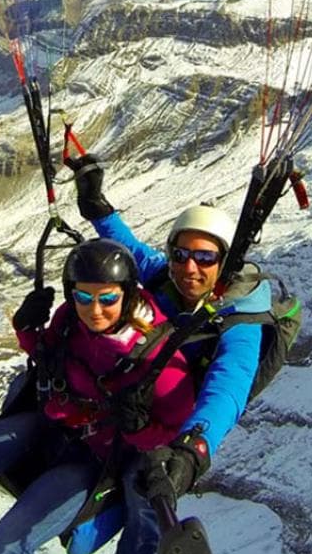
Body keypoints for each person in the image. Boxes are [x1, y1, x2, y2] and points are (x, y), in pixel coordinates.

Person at [0, 238, 195, 554]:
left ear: (127, 295)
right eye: (82, 296)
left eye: (108, 299)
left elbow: (175, 435)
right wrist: (27, 330)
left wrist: (138, 429)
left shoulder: (162, 363)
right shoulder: (71, 318)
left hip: (94, 460)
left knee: (4, 547)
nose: (94, 310)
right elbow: (50, 361)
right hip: (52, 427)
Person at [66, 154, 274, 502]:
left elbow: (227, 391)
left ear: (224, 262)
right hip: (130, 408)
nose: (189, 267)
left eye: (205, 258)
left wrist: (194, 448)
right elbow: (132, 249)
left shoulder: (241, 322)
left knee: (143, 509)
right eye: (181, 255)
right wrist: (98, 210)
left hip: (170, 429)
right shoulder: (165, 277)